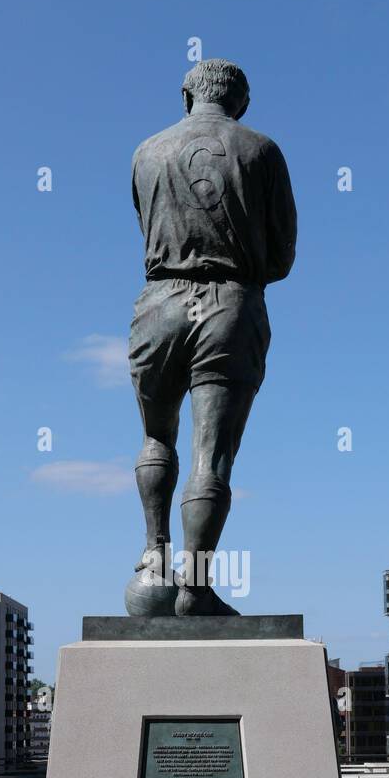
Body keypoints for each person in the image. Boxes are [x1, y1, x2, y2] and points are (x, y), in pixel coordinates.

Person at [127, 58, 297, 616]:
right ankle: (194, 588)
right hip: (231, 304)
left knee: (158, 437)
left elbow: (146, 225)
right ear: (240, 101)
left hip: (158, 305)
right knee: (212, 457)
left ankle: (154, 561)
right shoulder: (262, 150)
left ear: (186, 96)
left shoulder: (146, 151)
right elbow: (281, 256)